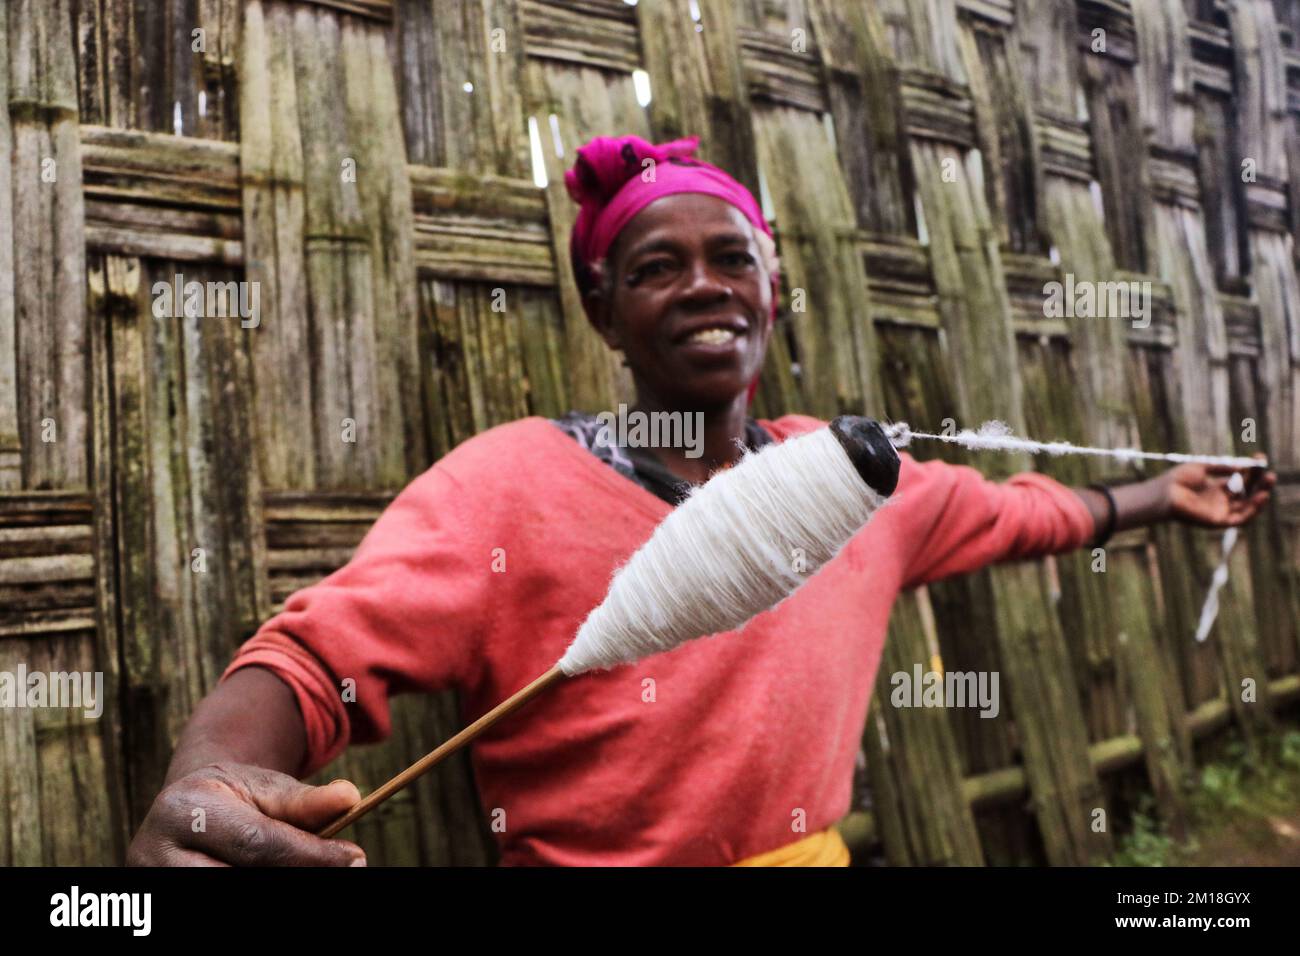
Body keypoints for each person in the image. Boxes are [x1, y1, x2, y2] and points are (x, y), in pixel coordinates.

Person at [126, 134, 1276, 867]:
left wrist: (1158, 497)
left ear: (777, 288)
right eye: (653, 266)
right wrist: (210, 782)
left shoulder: (850, 482)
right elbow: (319, 652)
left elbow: (1026, 514)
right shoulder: (508, 482)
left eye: (732, 256)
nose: (703, 286)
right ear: (600, 310)